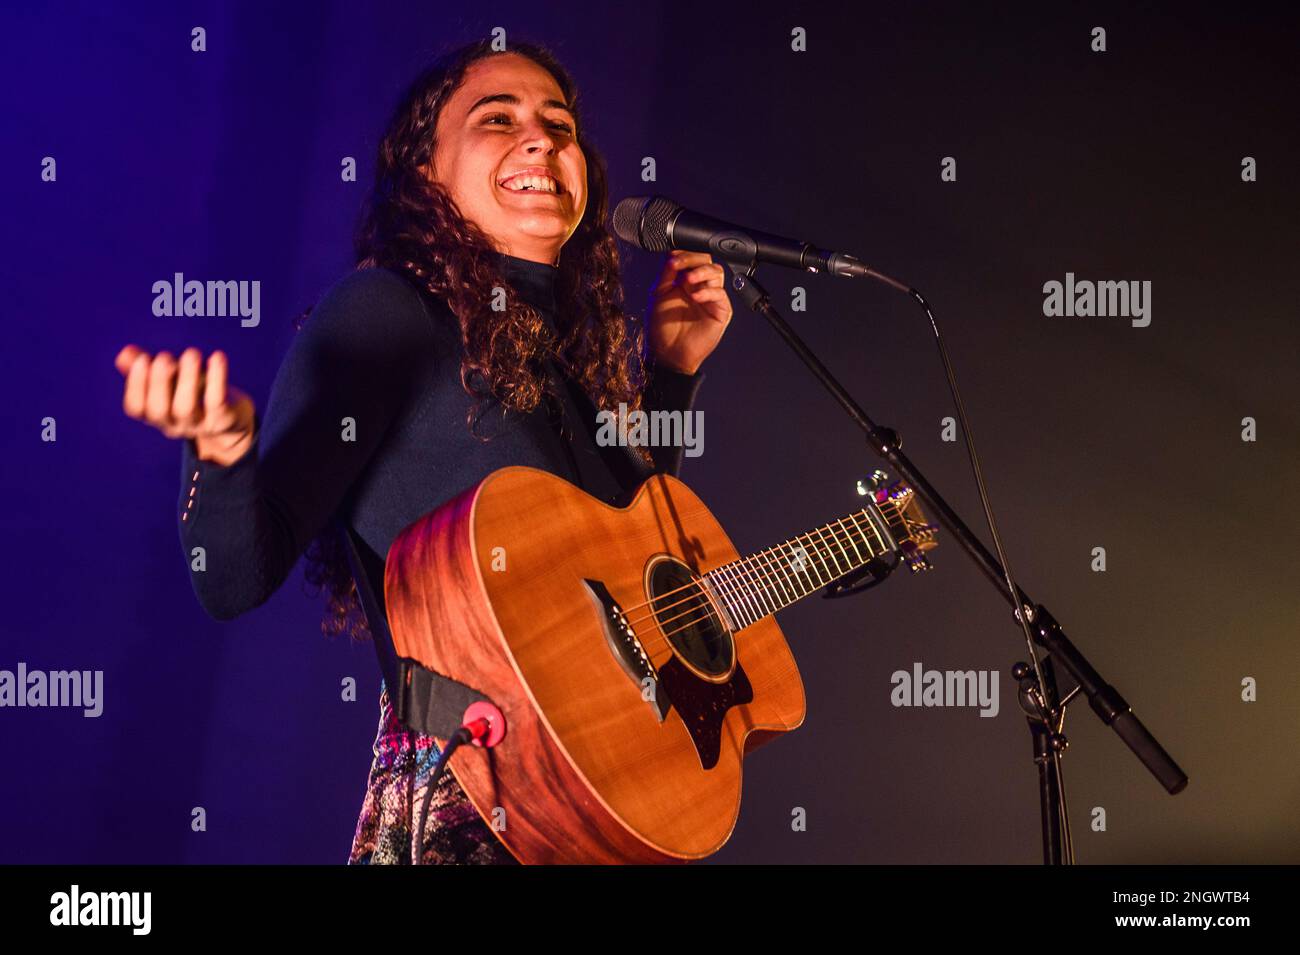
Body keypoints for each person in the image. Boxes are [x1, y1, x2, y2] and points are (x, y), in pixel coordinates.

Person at [113, 38, 733, 864]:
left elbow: (643, 560)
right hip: (477, 804)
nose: (543, 139)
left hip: (601, 810)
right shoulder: (390, 312)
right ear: (426, 171)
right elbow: (233, 578)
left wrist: (673, 371)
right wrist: (222, 453)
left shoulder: (568, 375)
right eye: (498, 118)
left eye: (560, 124)